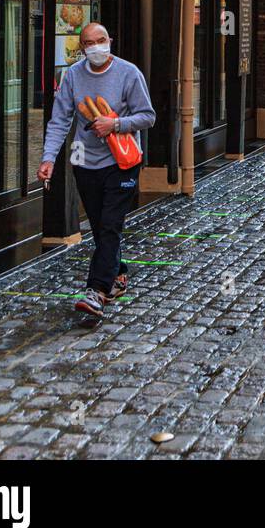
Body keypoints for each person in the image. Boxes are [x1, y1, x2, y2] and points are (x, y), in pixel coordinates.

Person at [37, 23, 156, 319]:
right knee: (100, 226)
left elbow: (148, 117)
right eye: (89, 43)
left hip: (123, 162)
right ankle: (118, 271)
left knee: (110, 225)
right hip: (85, 162)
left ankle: (96, 292)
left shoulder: (129, 73)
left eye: (101, 40)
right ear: (82, 48)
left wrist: (115, 124)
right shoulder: (73, 76)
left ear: (110, 41)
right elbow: (60, 119)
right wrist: (48, 158)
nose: (96, 47)